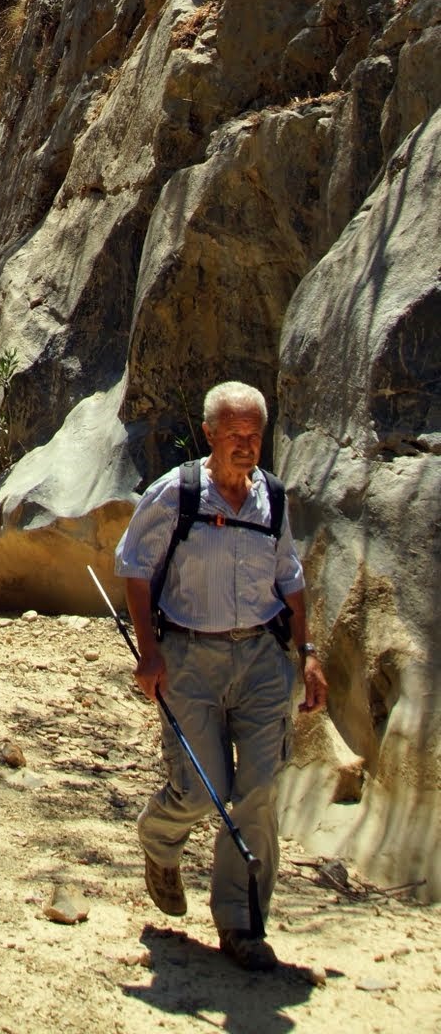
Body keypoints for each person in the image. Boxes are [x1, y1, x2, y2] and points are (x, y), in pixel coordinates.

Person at [114, 380, 329, 974]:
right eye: (234, 435)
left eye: (255, 436)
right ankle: (160, 837)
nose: (246, 446)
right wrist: (150, 654)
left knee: (256, 794)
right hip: (189, 659)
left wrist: (307, 651)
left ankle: (241, 923)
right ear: (210, 434)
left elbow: (290, 578)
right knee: (202, 784)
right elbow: (133, 567)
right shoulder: (176, 494)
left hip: (262, 658)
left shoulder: (273, 501)